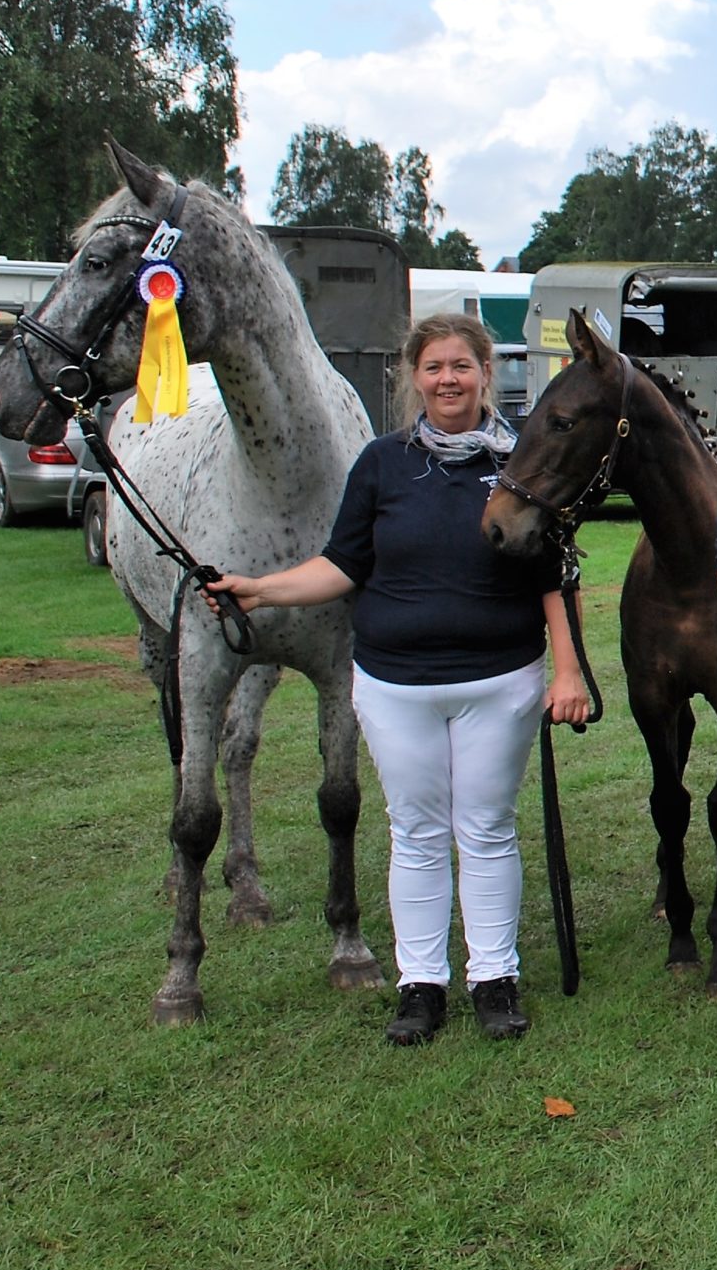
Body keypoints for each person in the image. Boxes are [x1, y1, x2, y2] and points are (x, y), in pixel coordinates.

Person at [206, 313, 589, 1046]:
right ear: (414, 379)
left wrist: (567, 668)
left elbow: (553, 576)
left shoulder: (522, 463)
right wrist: (259, 589)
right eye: (434, 367)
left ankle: (493, 978)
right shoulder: (381, 464)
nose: (449, 379)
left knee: (485, 828)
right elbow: (342, 564)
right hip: (395, 685)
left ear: (486, 373)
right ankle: (422, 985)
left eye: (462, 366)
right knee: (414, 832)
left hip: (498, 680)